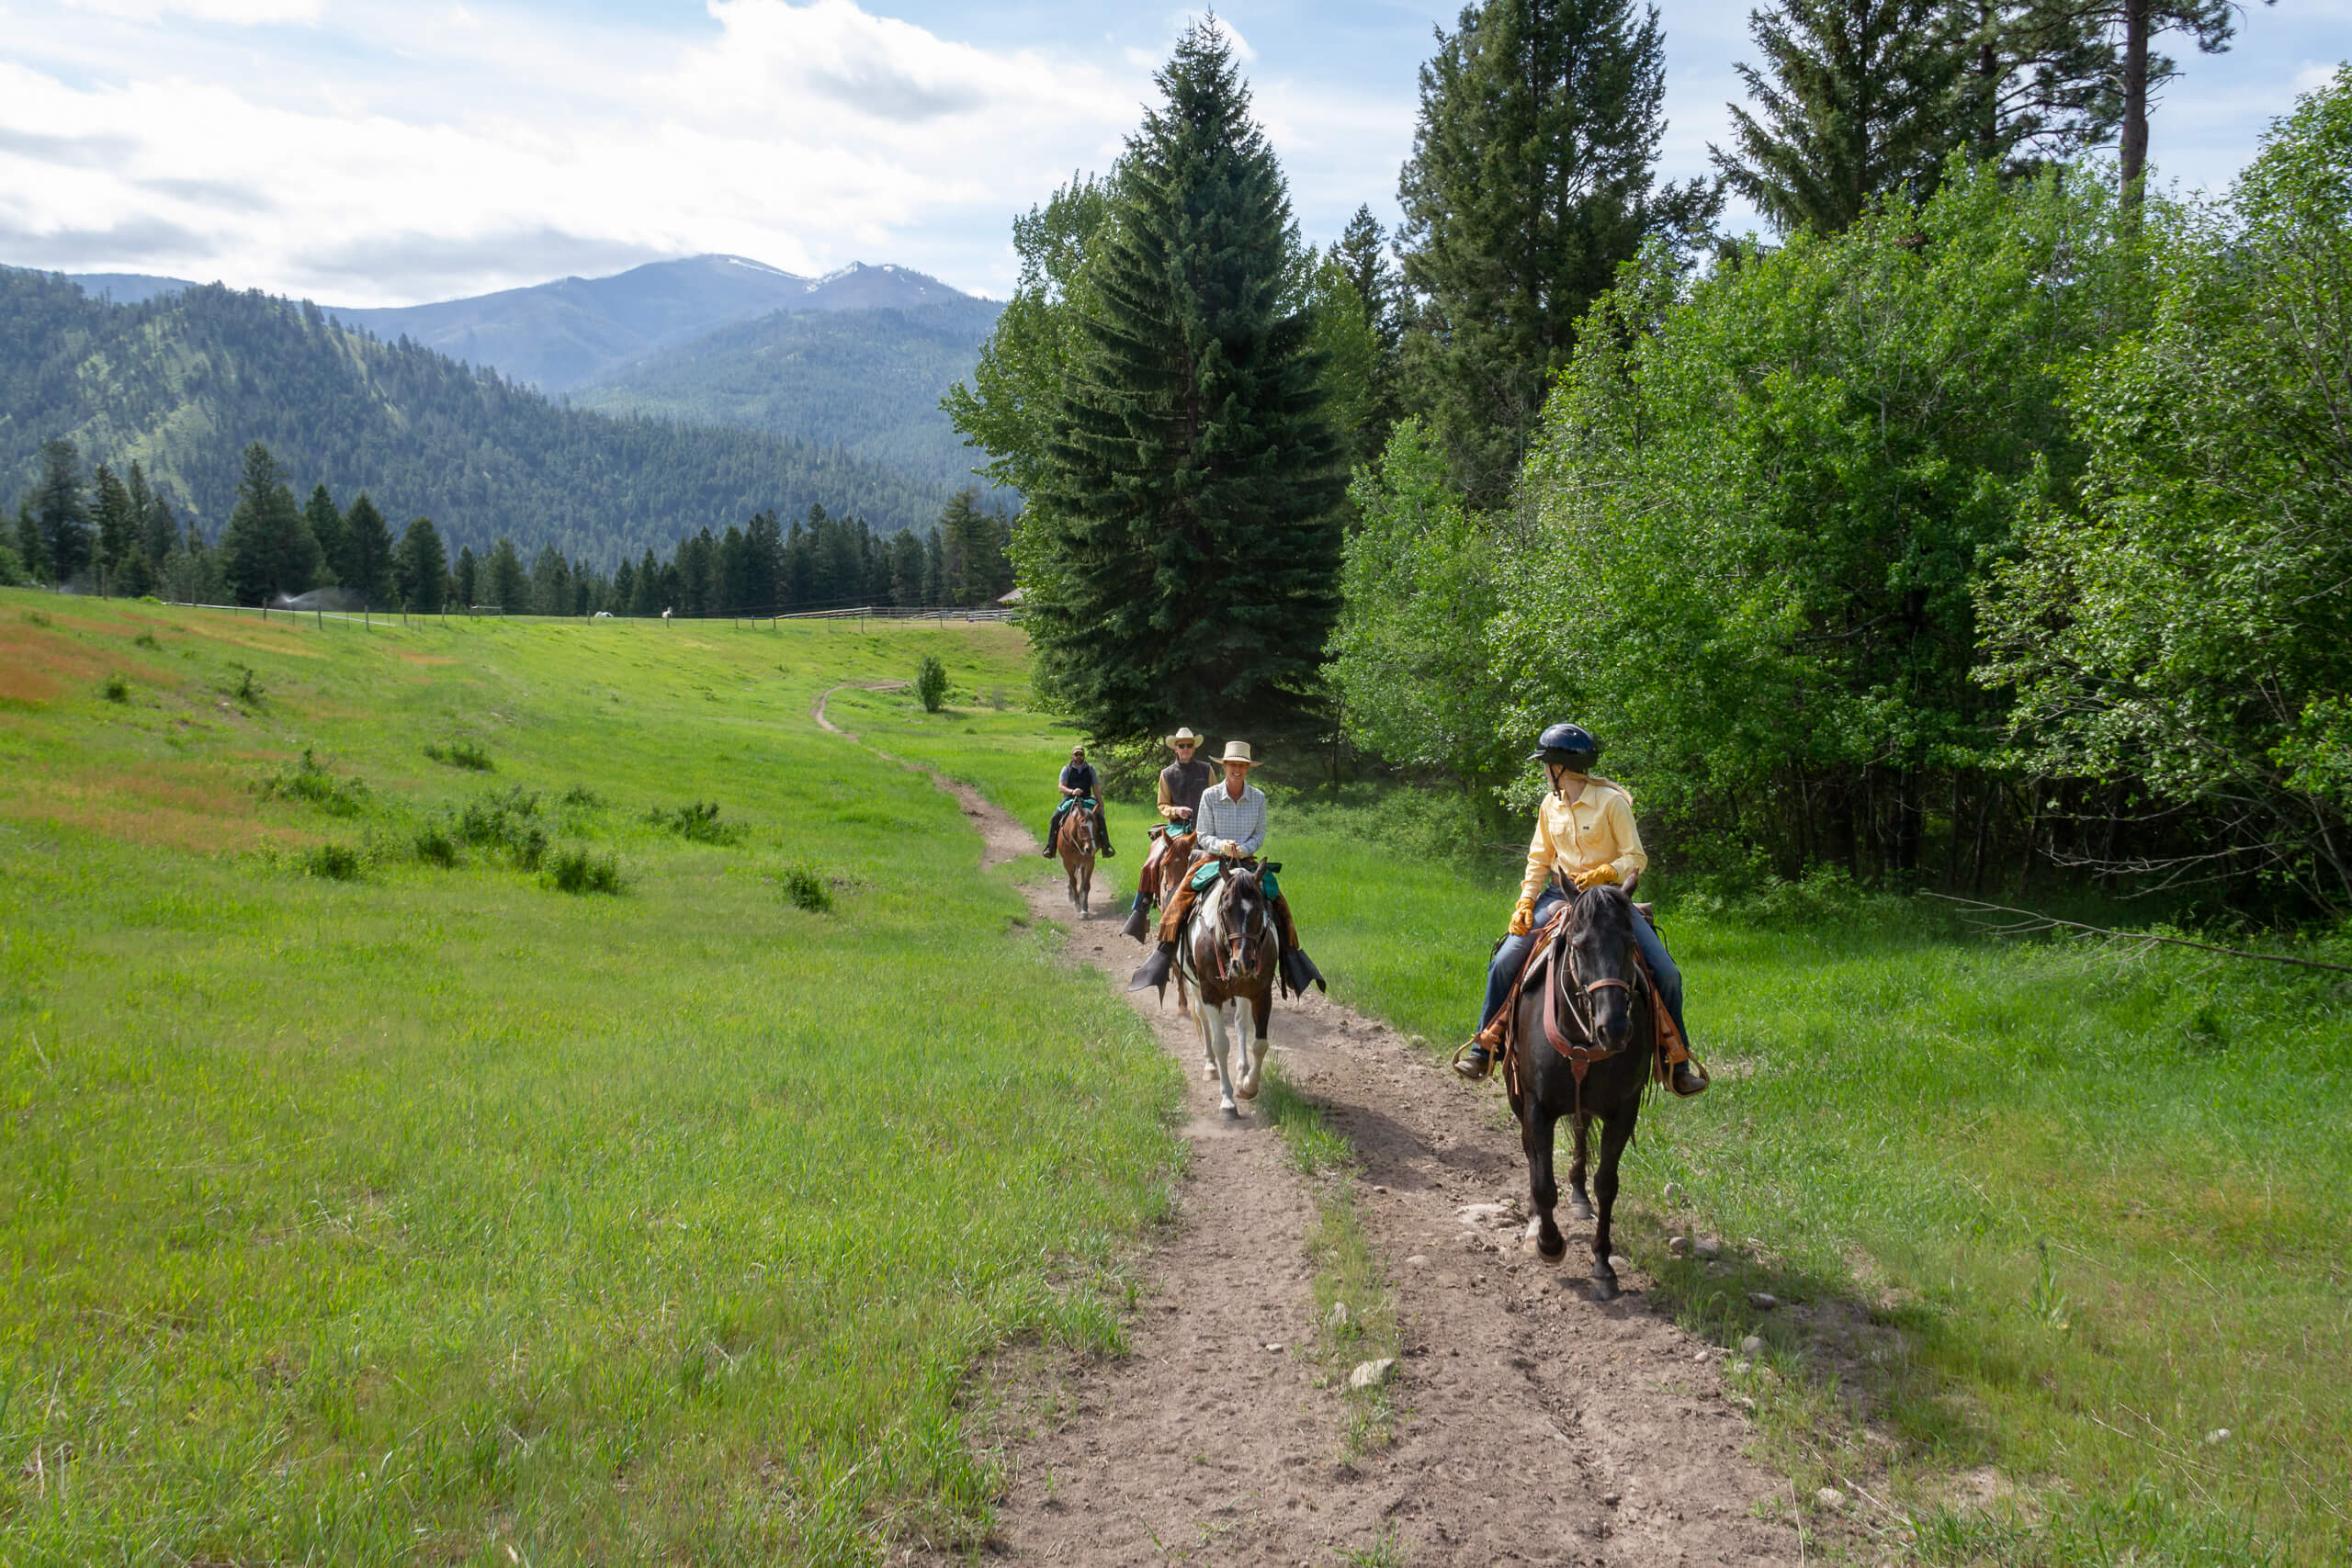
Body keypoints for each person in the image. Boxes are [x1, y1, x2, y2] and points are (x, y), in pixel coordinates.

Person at [1456, 722, 1704, 1096]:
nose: (1544, 771)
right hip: (1559, 898)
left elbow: (1635, 857)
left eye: (1546, 764)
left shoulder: (1612, 802)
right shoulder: (1549, 805)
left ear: (1558, 767)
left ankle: (1677, 1059)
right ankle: (1485, 1046)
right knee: (1505, 960)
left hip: (1607, 902)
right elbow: (1539, 859)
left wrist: (1609, 872)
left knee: (1666, 973)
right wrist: (1526, 900)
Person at [1127, 741, 1324, 997]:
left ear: (1247, 768)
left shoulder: (1258, 798)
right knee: (1178, 901)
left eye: (1242, 765)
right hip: (1212, 860)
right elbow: (1204, 834)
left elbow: (1259, 834)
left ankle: (1291, 959)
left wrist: (1243, 849)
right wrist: (1222, 845)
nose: (1237, 769)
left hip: (1246, 861)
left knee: (1279, 903)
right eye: (1232, 764)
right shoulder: (1209, 796)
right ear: (1225, 767)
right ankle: (1162, 956)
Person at [1121, 727, 1215, 941]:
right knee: (1151, 863)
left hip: (1204, 828)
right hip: (1175, 828)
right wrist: (1176, 810)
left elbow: (1216, 797)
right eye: (1181, 745)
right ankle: (1141, 908)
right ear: (1175, 748)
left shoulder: (1206, 770)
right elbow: (1162, 805)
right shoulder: (1167, 774)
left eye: (1189, 745)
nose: (1185, 749)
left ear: (1194, 747)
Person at [1042, 744, 1114, 858]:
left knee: (1100, 818)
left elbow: (1096, 788)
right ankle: (1051, 848)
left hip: (1087, 799)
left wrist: (1101, 804)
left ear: (1084, 756)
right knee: (1055, 817)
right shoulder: (1066, 769)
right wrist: (1072, 791)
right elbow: (1061, 787)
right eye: (1076, 754)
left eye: (1081, 754)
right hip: (1070, 799)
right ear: (1072, 756)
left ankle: (1106, 847)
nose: (1079, 757)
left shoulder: (1090, 769)